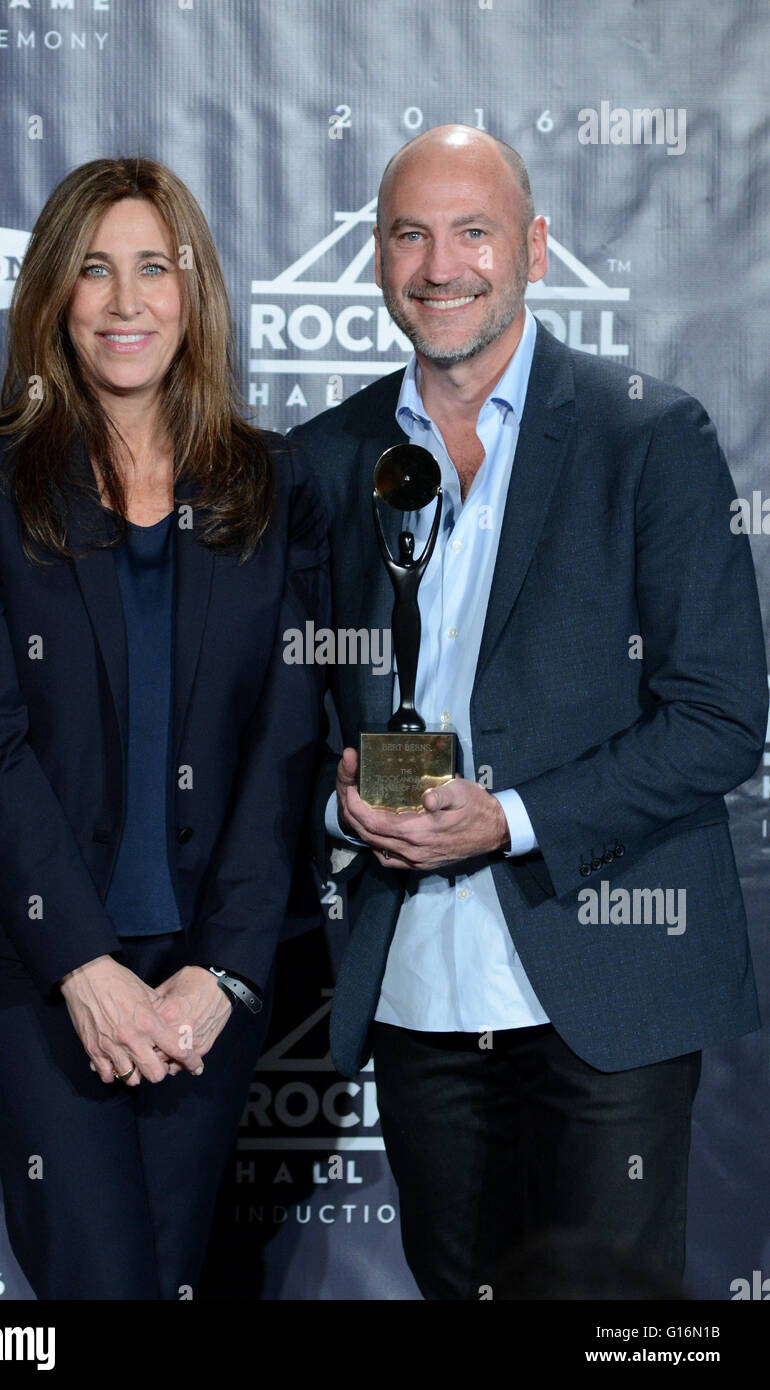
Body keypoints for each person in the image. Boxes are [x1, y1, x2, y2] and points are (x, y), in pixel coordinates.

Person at [292, 125, 767, 1300]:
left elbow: (717, 715)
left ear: (533, 249)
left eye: (471, 232)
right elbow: (292, 710)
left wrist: (503, 818)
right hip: (414, 987)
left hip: (606, 973)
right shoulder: (320, 459)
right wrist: (343, 806)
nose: (438, 265)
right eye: (409, 234)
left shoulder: (647, 436)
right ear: (375, 258)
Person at [0, 157, 329, 1299]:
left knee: (163, 1272)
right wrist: (83, 966)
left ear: (194, 296)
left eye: (154, 267)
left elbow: (284, 752)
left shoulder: (269, 484)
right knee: (102, 1278)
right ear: (53, 293)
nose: (126, 300)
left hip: (203, 970)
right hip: (25, 962)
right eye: (94, 270)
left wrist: (224, 973)